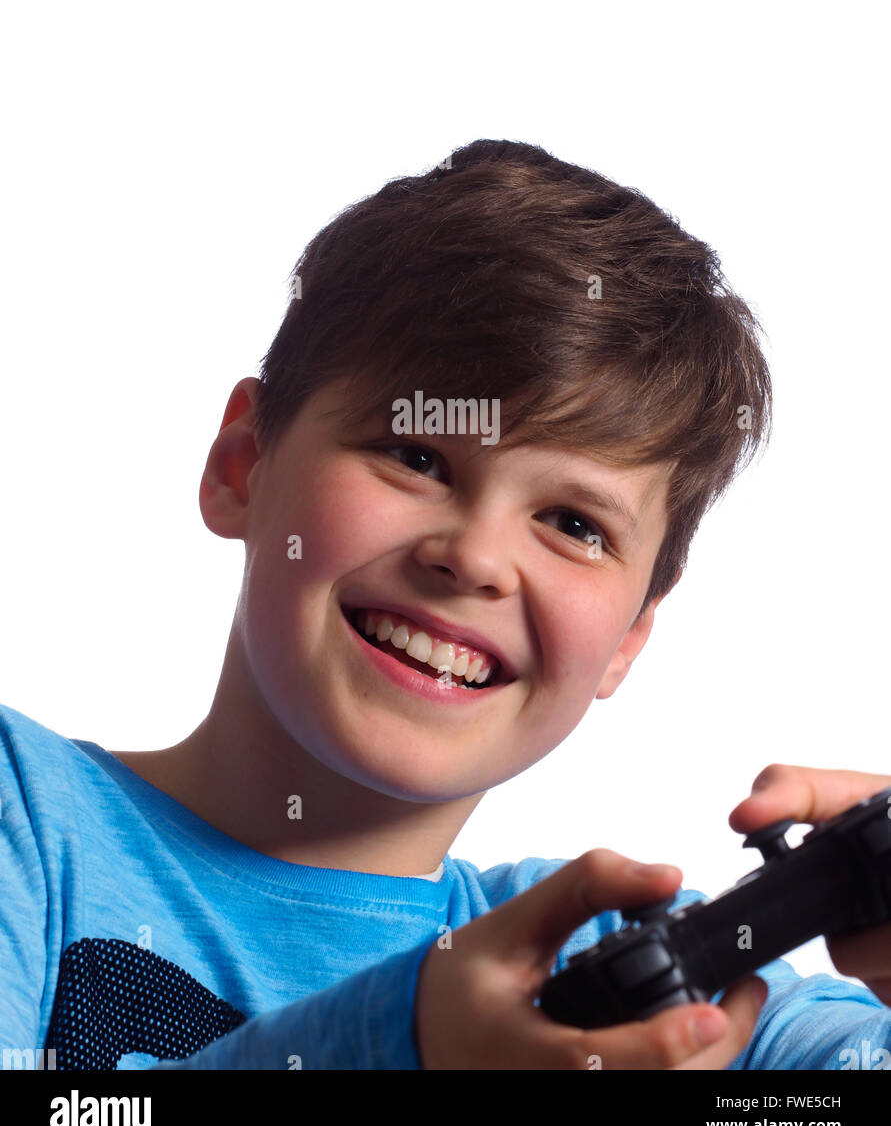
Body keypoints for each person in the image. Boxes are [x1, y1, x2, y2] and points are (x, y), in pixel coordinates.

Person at [2, 139, 889, 1071]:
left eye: (574, 524)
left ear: (629, 638)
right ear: (243, 466)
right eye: (416, 457)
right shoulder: (28, 820)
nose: (473, 558)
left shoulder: (611, 968)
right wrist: (404, 1049)